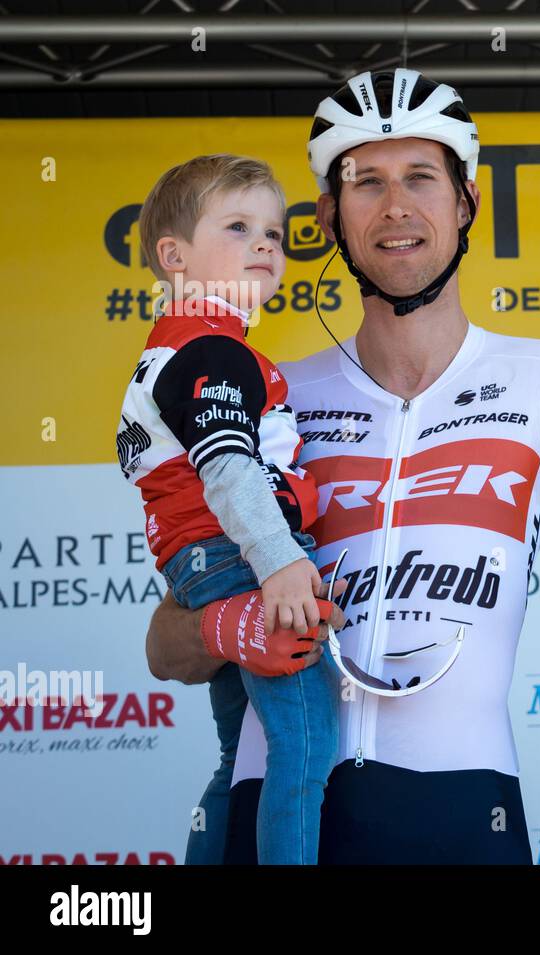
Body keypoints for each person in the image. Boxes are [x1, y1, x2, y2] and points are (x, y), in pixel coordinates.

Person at [144, 68, 540, 864]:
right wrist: (237, 626)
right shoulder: (270, 394)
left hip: (464, 808)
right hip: (277, 811)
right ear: (330, 216)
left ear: (466, 202)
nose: (396, 206)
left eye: (420, 178)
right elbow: (167, 647)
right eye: (366, 181)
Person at [119, 154, 340, 865]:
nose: (266, 244)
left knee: (238, 749)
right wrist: (278, 563)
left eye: (274, 232)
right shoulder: (210, 344)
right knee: (304, 746)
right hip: (240, 561)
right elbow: (227, 467)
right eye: (239, 226)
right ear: (174, 256)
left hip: (201, 565)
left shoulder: (179, 345)